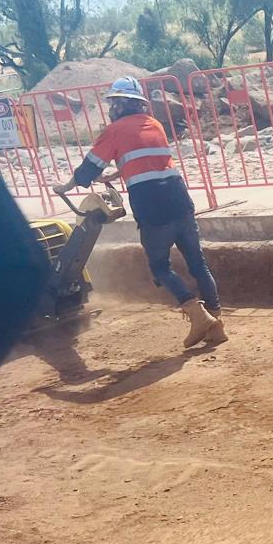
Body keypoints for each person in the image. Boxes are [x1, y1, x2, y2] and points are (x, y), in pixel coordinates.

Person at [53, 76, 226, 347]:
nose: (111, 108)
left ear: (122, 104)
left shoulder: (115, 130)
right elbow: (147, 157)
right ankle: (217, 323)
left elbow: (89, 168)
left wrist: (65, 186)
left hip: (152, 206)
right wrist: (118, 172)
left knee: (160, 267)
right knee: (198, 264)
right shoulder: (154, 124)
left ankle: (198, 315)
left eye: (114, 103)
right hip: (180, 200)